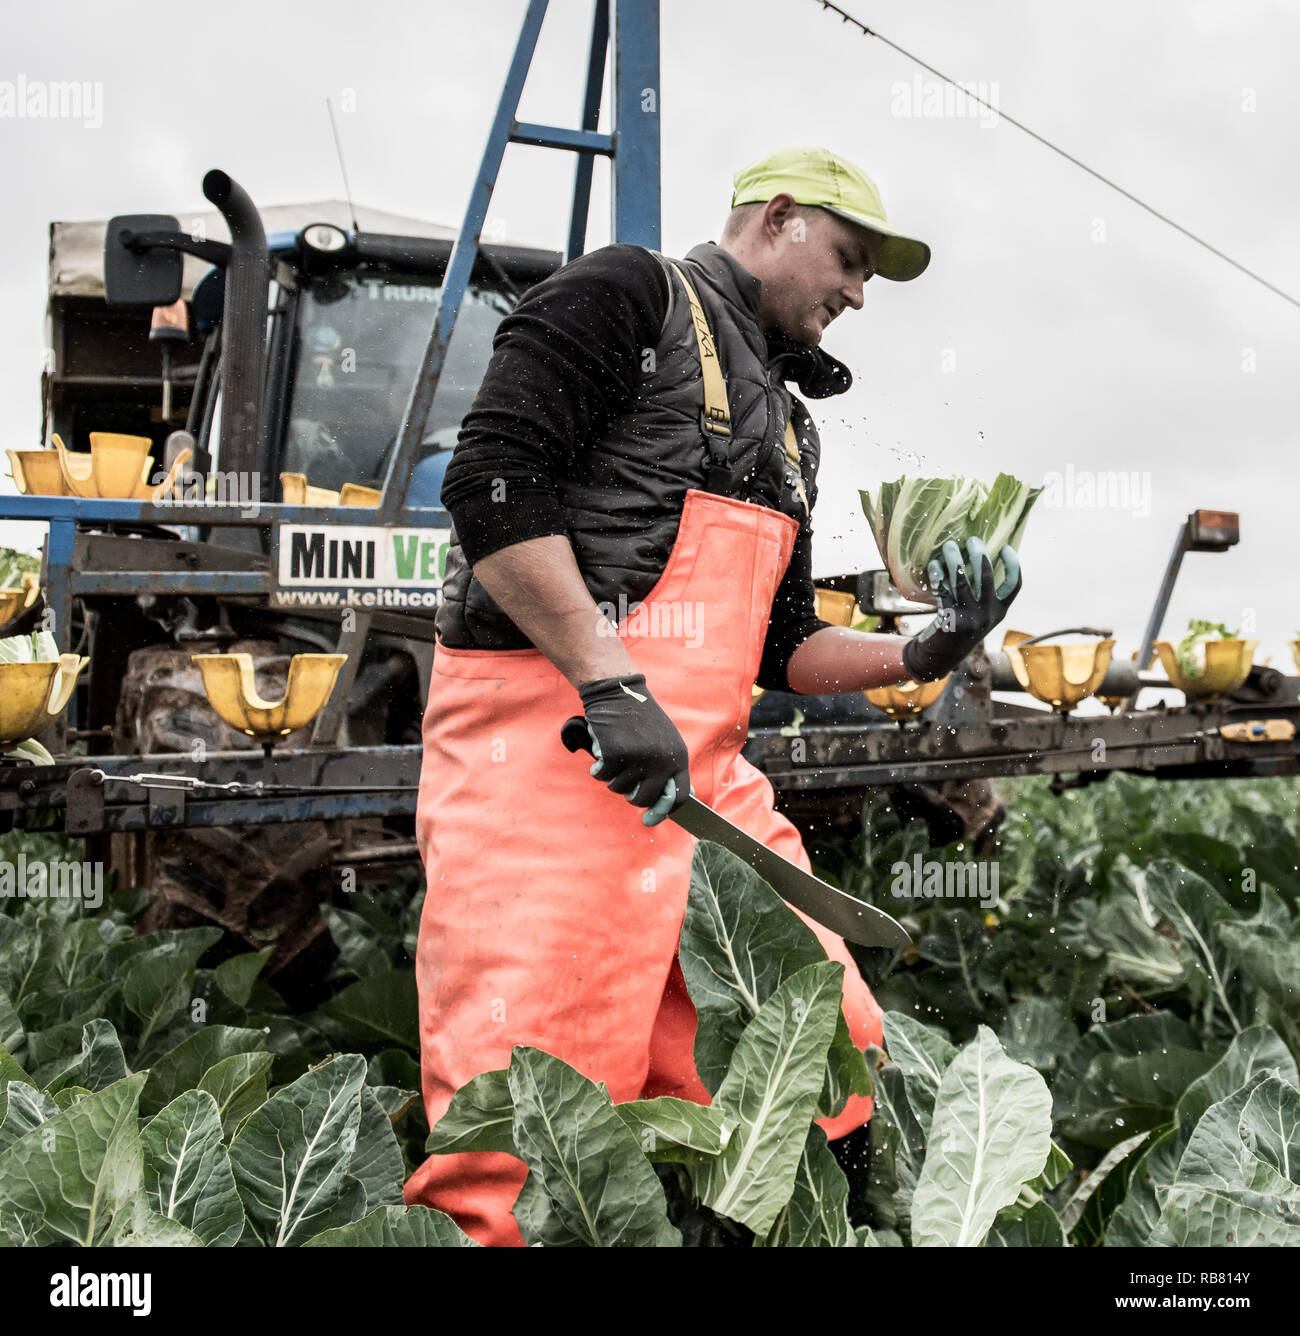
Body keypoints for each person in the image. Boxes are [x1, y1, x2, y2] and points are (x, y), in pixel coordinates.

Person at [403, 145, 1023, 1246]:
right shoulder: (625, 294)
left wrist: (922, 651)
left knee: (819, 1059)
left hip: (701, 787)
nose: (858, 292)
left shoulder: (787, 422)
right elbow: (490, 484)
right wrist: (608, 679)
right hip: (549, 773)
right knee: (533, 1132)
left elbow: (784, 645)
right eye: (848, 258)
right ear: (776, 217)